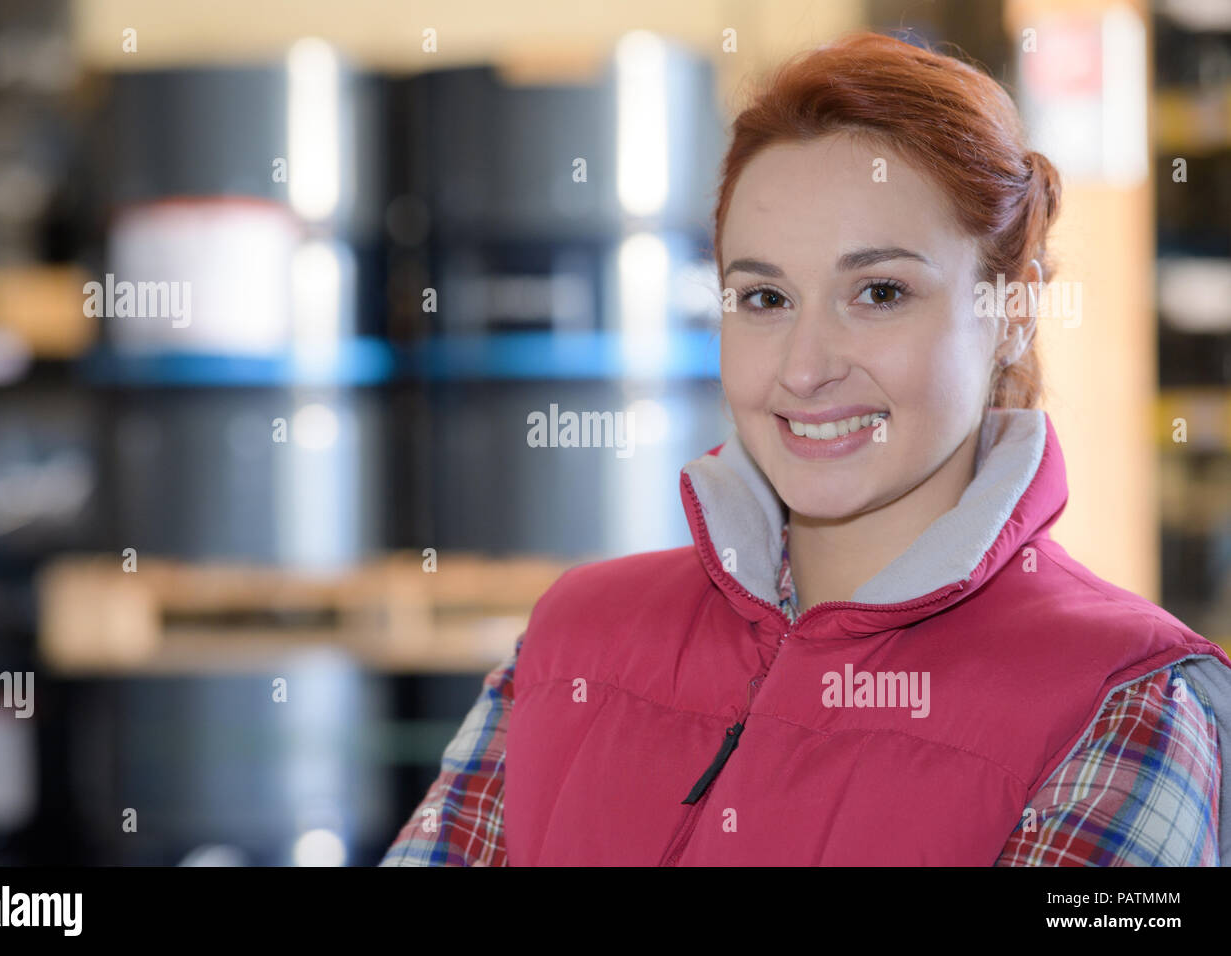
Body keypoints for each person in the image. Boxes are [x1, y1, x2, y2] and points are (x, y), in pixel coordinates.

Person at [380, 30, 1231, 866]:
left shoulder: (1130, 705)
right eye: (763, 298)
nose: (806, 368)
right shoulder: (571, 641)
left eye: (881, 291)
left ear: (1014, 309)